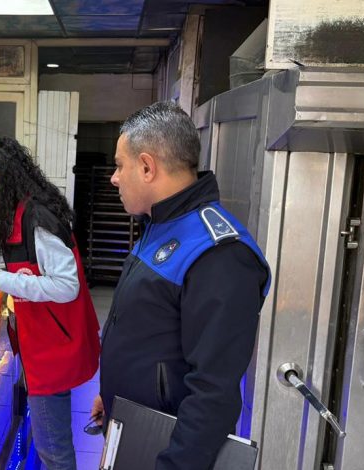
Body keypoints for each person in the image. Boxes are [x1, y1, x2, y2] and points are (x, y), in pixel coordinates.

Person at [91, 102, 270, 470]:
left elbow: (213, 392)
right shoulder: (160, 224)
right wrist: (111, 394)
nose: (113, 177)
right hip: (133, 424)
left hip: (164, 448)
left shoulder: (220, 253)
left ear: (146, 166)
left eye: (119, 165)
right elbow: (147, 329)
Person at [0, 133, 101, 470]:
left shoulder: (37, 218)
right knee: (53, 440)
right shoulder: (20, 209)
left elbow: (66, 286)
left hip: (54, 347)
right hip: (46, 341)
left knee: (54, 450)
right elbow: (26, 257)